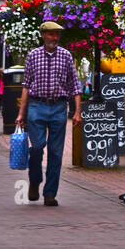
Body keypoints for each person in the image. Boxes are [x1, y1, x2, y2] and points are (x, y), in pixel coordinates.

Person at [16, 21, 82, 207]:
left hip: (59, 107)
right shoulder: (33, 55)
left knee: (55, 152)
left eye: (57, 34)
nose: (55, 38)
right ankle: (35, 181)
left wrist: (77, 112)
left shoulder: (66, 56)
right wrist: (21, 113)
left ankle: (50, 194)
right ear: (43, 34)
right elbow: (26, 86)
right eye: (52, 34)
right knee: (37, 148)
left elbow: (75, 86)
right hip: (37, 106)